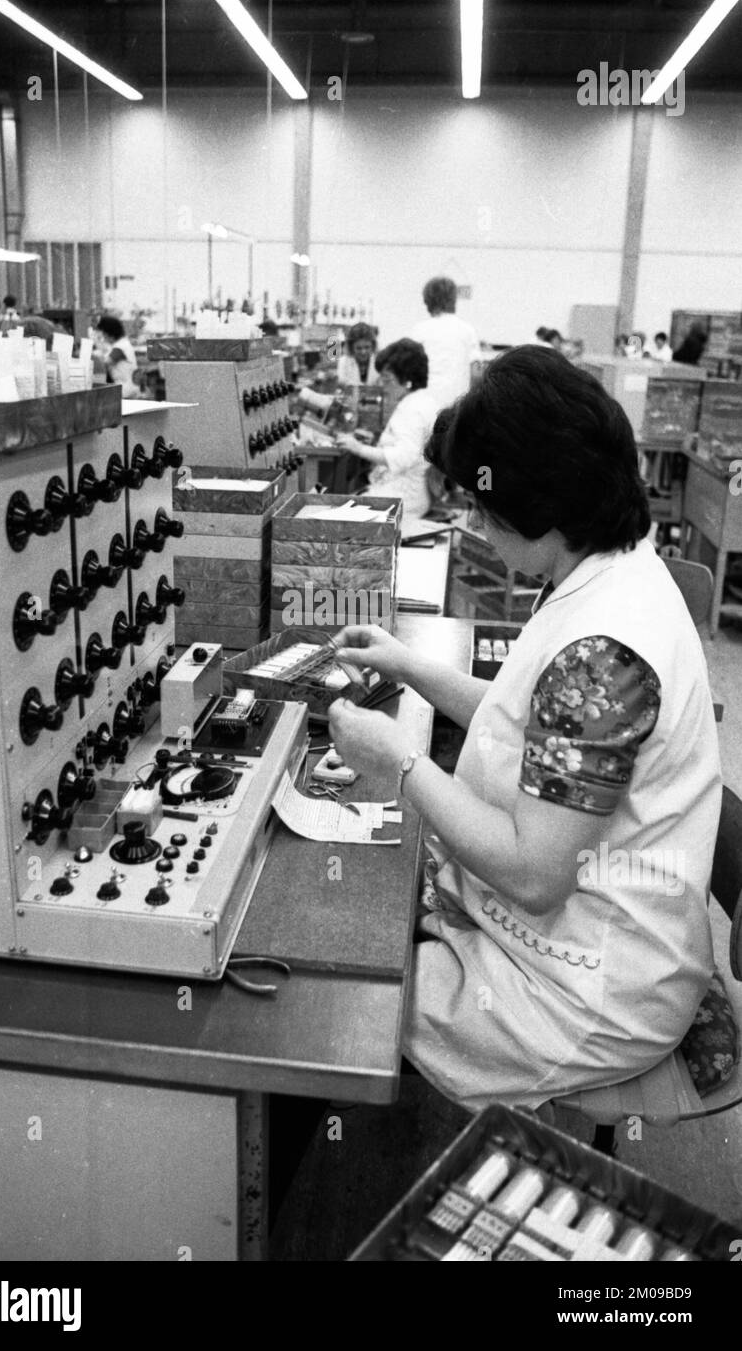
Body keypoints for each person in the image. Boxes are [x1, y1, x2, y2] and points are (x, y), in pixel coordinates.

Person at [328, 344, 721, 1111]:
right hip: (592, 933)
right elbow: (535, 732)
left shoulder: (604, 651)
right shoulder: (609, 566)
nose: (473, 521)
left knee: (352, 1004)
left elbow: (535, 877)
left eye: (481, 507)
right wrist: (412, 668)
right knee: (375, 930)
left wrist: (402, 764)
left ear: (540, 506)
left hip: (587, 989)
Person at [336, 338, 438, 523]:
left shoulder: (412, 410)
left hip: (401, 498)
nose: (382, 385)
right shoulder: (421, 400)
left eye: (388, 379)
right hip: (407, 492)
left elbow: (403, 457)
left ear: (408, 379)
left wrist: (358, 448)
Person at [410, 276, 479, 409]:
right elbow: (476, 374)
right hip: (457, 406)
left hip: (424, 405)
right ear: (453, 299)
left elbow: (409, 371)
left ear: (427, 301)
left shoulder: (418, 331)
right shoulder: (467, 330)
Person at [93, 313, 137, 396]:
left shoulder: (120, 347)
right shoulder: (122, 344)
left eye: (103, 334)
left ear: (109, 333)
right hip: (127, 386)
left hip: (125, 389)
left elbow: (105, 363)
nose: (103, 337)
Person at [337, 321, 379, 388]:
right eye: (359, 348)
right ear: (351, 347)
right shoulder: (344, 362)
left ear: (373, 346)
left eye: (367, 347)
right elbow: (342, 385)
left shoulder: (380, 362)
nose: (363, 352)